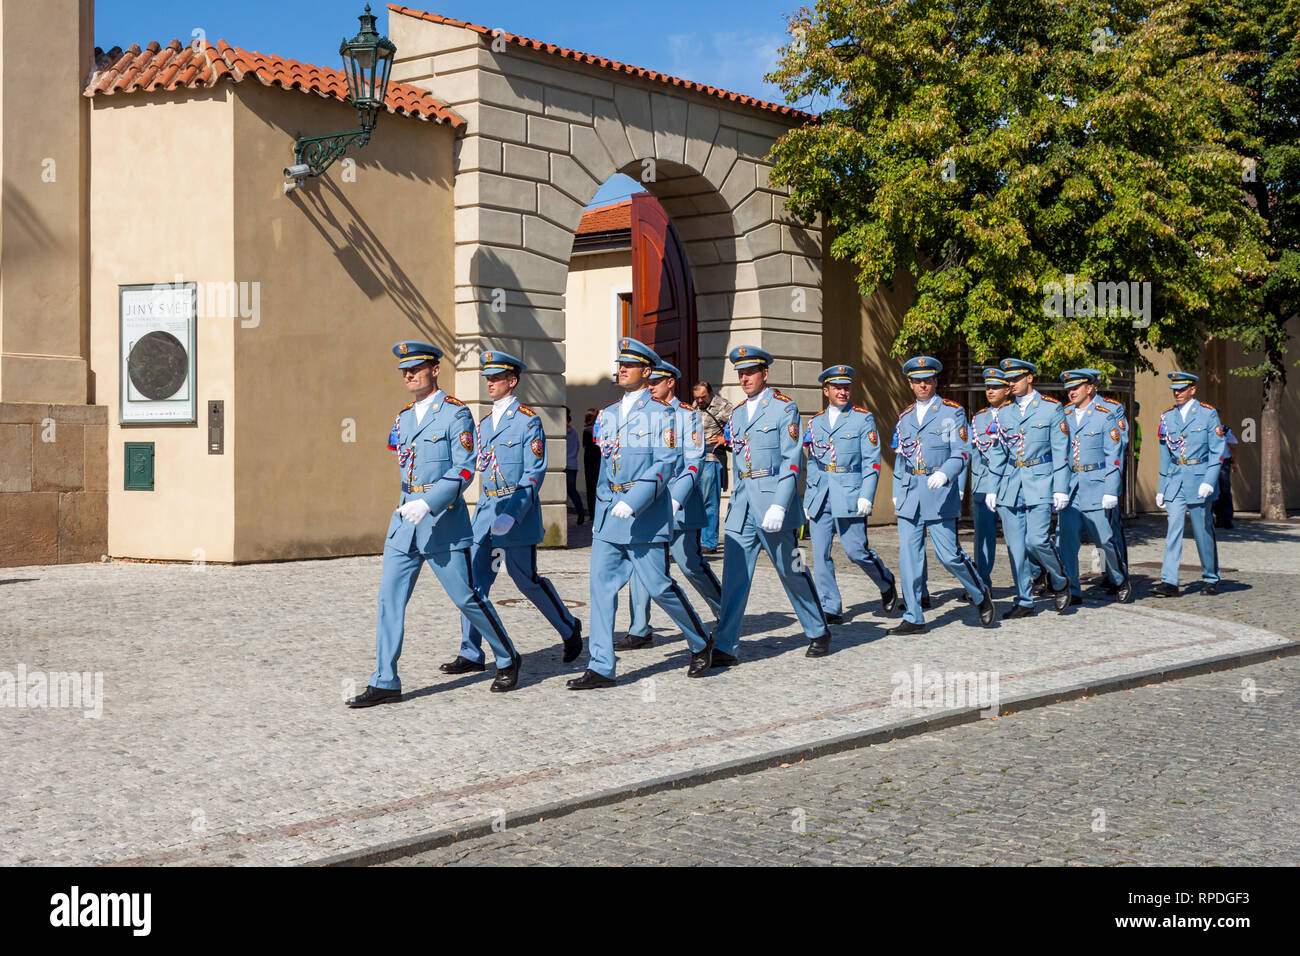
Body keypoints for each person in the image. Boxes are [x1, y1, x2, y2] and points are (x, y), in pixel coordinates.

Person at [347, 341, 522, 707]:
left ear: (435, 370)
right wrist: (412, 502)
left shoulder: (455, 415)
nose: (408, 375)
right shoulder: (404, 417)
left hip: (441, 522)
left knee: (466, 598)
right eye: (404, 370)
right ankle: (385, 680)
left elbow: (464, 468)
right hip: (404, 522)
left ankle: (506, 656)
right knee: (389, 600)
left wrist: (429, 502)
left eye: (416, 368)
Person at [568, 337, 714, 688]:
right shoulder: (607, 414)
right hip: (610, 514)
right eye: (620, 365)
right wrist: (602, 507)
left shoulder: (663, 415)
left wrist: (633, 500)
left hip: (645, 514)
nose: (621, 370)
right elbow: (604, 467)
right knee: (601, 589)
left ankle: (699, 640)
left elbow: (665, 464)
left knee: (659, 587)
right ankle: (601, 666)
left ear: (646, 372)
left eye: (629, 366)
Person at [444, 350, 584, 676]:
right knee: (474, 581)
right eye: (488, 378)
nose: (490, 383)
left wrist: (513, 513)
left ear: (512, 381)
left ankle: (568, 627)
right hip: (486, 511)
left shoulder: (527, 420)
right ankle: (471, 651)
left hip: (515, 512)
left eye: (497, 378)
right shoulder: (483, 424)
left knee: (525, 580)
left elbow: (534, 472)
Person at [712, 346, 834, 661]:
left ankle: (818, 629)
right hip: (742, 504)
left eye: (750, 372)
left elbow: (792, 459)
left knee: (792, 569)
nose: (744, 378)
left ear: (764, 374)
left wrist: (781, 504)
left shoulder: (784, 408)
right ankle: (725, 645)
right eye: (741, 373)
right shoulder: (737, 413)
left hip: (771, 503)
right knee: (734, 576)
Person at [889, 356, 995, 635]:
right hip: (910, 491)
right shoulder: (905, 417)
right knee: (909, 559)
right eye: (917, 381)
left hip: (938, 490)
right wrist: (897, 490)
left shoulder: (952, 412)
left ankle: (980, 593)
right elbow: (901, 457)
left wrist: (946, 474)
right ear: (910, 384)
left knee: (949, 556)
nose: (923, 385)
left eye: (927, 380)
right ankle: (914, 616)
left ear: (935, 381)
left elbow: (962, 451)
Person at [620, 361, 723, 648]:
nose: (650, 386)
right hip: (649, 502)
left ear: (671, 382)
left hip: (680, 502)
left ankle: (724, 611)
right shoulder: (643, 414)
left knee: (690, 564)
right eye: (649, 382)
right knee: (641, 565)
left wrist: (677, 498)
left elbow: (694, 462)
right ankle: (639, 629)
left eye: (656, 382)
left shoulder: (687, 415)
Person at [802, 364, 898, 624]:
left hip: (849, 493)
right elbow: (813, 461)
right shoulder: (816, 422)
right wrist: (808, 498)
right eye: (837, 388)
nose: (842, 392)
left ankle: (885, 581)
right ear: (826, 391)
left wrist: (867, 494)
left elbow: (872, 461)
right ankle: (831, 606)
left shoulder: (862, 419)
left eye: (846, 387)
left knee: (856, 551)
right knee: (820, 555)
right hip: (821, 495)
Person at [991, 358, 1072, 617]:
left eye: (1016, 378)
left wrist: (1061, 488)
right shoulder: (1004, 412)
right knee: (1016, 548)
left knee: (1037, 541)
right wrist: (992, 487)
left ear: (1030, 378)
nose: (1011, 383)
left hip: (1040, 481)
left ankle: (1060, 579)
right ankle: (1024, 601)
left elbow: (1061, 451)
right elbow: (998, 452)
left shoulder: (1051, 408)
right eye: (1009, 379)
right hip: (1011, 485)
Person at [1055, 369, 1132, 604]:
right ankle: (1073, 589)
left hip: (1097, 484)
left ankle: (1119, 578)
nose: (1071, 392)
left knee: (1105, 539)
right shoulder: (1064, 414)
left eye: (1076, 387)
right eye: (1069, 388)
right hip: (1071, 486)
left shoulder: (1107, 413)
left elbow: (1115, 453)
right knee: (1066, 540)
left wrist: (1111, 489)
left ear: (1090, 388)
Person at [1153, 371, 1226, 596]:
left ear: (1192, 390)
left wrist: (1209, 481)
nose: (1177, 393)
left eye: (1182, 389)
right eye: (1175, 390)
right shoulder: (1167, 416)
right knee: (1173, 530)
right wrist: (1161, 487)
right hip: (1175, 480)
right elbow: (1165, 455)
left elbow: (1217, 450)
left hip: (1199, 478)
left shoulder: (1207, 414)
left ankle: (1211, 577)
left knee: (1202, 530)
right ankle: (1169, 581)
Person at [970, 367, 1013, 592]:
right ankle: (982, 582)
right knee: (983, 537)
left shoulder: (1016, 413)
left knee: (1017, 536)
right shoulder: (979, 418)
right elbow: (973, 453)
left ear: (1008, 390)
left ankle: (1036, 575)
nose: (990, 391)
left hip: (1009, 481)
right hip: (984, 482)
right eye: (988, 387)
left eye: (996, 387)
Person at [693, 381, 734, 553]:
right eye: (697, 397)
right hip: (695, 458)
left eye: (703, 397)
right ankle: (698, 539)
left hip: (712, 457)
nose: (699, 401)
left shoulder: (723, 406)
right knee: (697, 500)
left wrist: (725, 438)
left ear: (710, 393)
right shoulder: (695, 406)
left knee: (709, 501)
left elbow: (739, 424)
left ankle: (709, 542)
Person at [565, 407, 586, 525]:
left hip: (565, 465)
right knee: (572, 490)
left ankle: (580, 512)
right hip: (573, 464)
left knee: (568, 491)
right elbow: (577, 446)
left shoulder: (562, 432)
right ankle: (580, 512)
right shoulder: (573, 431)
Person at [1214, 425, 1238, 528]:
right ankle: (1218, 518)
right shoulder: (1206, 427)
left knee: (1225, 491)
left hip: (1223, 463)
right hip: (1211, 463)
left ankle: (1227, 519)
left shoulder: (1225, 430)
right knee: (1214, 491)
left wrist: (1234, 462)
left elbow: (1232, 446)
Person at [582, 408, 599, 522]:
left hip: (590, 464)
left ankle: (593, 514)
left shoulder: (588, 431)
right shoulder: (599, 430)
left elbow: (585, 446)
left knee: (591, 490)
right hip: (598, 463)